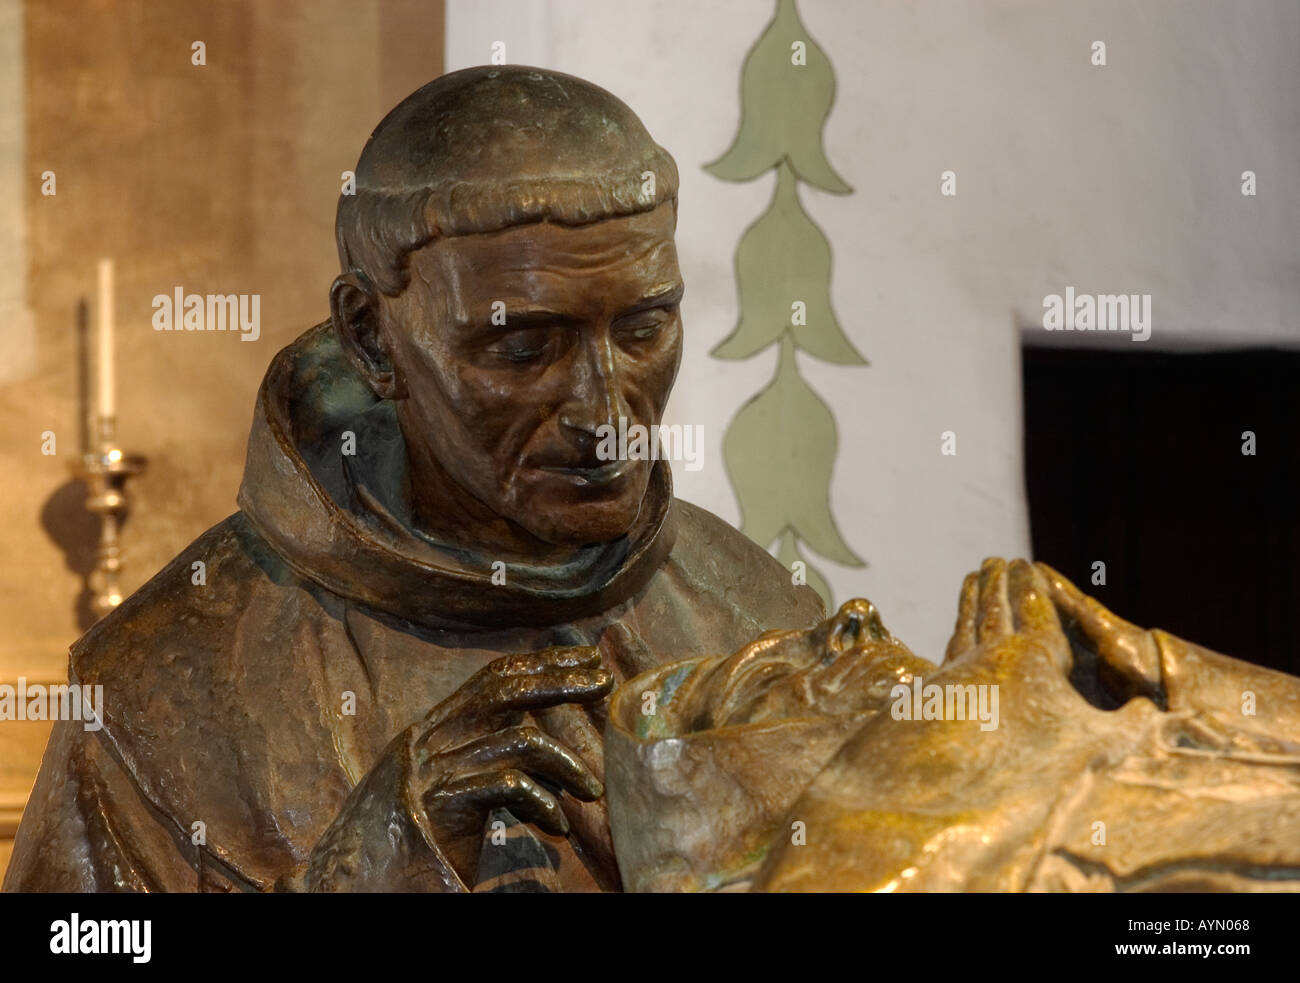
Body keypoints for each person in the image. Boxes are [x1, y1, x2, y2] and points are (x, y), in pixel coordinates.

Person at [4, 66, 823, 893]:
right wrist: (369, 864)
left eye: (644, 329)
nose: (605, 409)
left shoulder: (761, 618)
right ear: (370, 337)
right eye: (524, 348)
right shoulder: (163, 689)